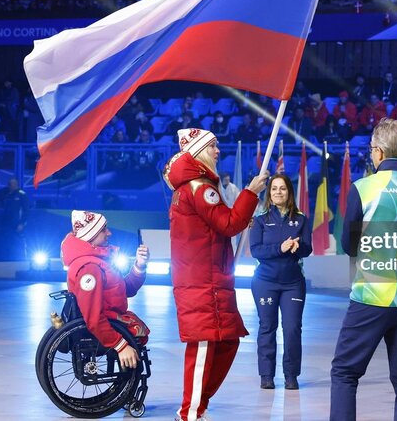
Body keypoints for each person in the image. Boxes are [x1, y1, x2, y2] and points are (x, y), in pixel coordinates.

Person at [330, 118, 397, 421]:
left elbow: (348, 244)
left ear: (377, 152)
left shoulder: (363, 188)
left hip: (371, 297)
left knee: (344, 372)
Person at [163, 128, 268, 421]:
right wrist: (251, 193)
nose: (218, 151)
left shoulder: (194, 187)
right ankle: (190, 414)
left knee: (227, 341)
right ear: (197, 153)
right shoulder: (200, 188)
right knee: (203, 348)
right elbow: (230, 224)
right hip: (204, 282)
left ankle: (197, 406)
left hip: (209, 279)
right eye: (212, 147)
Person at [61, 210, 150, 370]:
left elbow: (124, 289)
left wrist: (140, 265)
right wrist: (120, 345)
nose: (109, 233)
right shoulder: (90, 268)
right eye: (103, 229)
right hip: (104, 324)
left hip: (109, 319)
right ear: (91, 235)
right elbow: (93, 318)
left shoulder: (97, 261)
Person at [249, 174, 312, 391]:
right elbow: (255, 250)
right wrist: (280, 248)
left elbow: (308, 250)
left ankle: (291, 375)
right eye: (274, 188)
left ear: (289, 192)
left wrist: (298, 246)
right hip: (265, 282)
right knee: (267, 327)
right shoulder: (260, 219)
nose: (278, 192)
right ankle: (266, 375)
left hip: (293, 283)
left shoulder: (301, 218)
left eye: (282, 188)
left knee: (292, 328)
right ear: (269, 193)